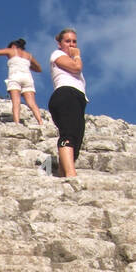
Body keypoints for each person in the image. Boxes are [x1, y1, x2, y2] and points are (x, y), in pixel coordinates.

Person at [48, 28, 87, 178]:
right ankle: (71, 174)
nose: (71, 44)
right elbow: (76, 67)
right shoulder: (57, 54)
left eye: (74, 41)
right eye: (67, 41)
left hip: (77, 97)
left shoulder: (68, 57)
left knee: (77, 138)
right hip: (66, 94)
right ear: (60, 43)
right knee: (69, 134)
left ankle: (63, 171)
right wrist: (77, 55)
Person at [0, 38, 44, 126]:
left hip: (15, 76)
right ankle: (41, 122)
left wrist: (6, 51)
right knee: (32, 103)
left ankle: (17, 123)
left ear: (14, 46)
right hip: (27, 78)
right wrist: (28, 66)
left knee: (16, 102)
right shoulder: (28, 55)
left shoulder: (12, 50)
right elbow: (39, 68)